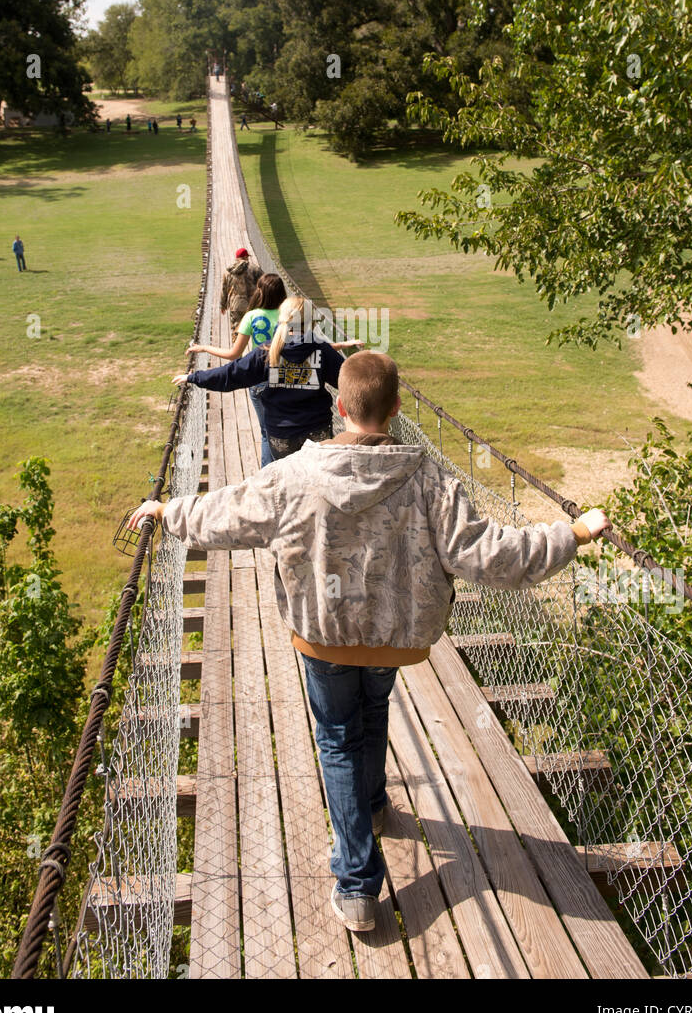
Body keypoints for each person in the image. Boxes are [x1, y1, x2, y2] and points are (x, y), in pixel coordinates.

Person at [130, 350, 611, 932]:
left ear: (338, 406)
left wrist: (167, 511)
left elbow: (225, 515)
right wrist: (574, 533)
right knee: (373, 707)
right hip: (395, 637)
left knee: (336, 737)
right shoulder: (430, 478)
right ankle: (376, 805)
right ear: (397, 409)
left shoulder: (290, 477)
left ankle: (357, 885)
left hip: (323, 635)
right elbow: (489, 554)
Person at [175, 294, 345, 461]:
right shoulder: (323, 351)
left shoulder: (267, 352)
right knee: (315, 478)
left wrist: (195, 377)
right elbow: (347, 380)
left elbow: (231, 374)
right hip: (317, 429)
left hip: (281, 434)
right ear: (312, 322)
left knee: (285, 479)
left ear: (281, 319)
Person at [219, 247, 263, 337]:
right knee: (255, 330)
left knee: (236, 331)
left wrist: (222, 305)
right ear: (246, 257)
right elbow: (264, 283)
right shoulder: (254, 269)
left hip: (235, 306)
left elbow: (224, 290)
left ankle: (237, 350)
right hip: (252, 305)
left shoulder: (228, 271)